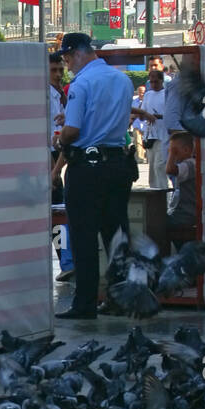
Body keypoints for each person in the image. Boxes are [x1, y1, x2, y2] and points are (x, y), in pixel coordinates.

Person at [55, 32, 134, 320]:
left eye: (66, 58)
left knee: (84, 236)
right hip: (117, 163)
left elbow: (74, 131)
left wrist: (59, 138)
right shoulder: (122, 80)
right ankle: (120, 297)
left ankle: (84, 303)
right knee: (116, 234)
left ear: (77, 53)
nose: (66, 65)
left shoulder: (81, 83)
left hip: (87, 169)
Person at [49, 52, 74, 282]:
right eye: (53, 70)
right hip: (48, 159)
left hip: (56, 158)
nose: (58, 74)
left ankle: (67, 261)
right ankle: (66, 260)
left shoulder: (60, 95)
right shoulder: (47, 96)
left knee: (57, 215)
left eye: (60, 70)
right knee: (56, 215)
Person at [136, 69, 168, 188]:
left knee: (159, 166)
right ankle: (154, 192)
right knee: (152, 167)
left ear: (161, 80)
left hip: (163, 134)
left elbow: (172, 115)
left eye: (156, 82)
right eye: (152, 82)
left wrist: (159, 116)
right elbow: (142, 113)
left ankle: (163, 192)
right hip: (150, 135)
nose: (154, 84)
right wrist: (143, 115)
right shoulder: (148, 95)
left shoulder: (167, 94)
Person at [164, 132, 197, 238]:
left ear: (186, 150)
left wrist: (171, 154)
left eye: (174, 150)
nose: (170, 153)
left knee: (158, 223)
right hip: (184, 211)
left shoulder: (189, 165)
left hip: (187, 213)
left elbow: (170, 170)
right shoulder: (190, 163)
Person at [130, 83, 147, 163]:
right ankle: (140, 158)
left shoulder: (148, 100)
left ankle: (146, 156)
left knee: (145, 142)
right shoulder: (134, 101)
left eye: (143, 92)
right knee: (137, 141)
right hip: (136, 124)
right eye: (140, 91)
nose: (141, 93)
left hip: (146, 125)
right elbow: (131, 112)